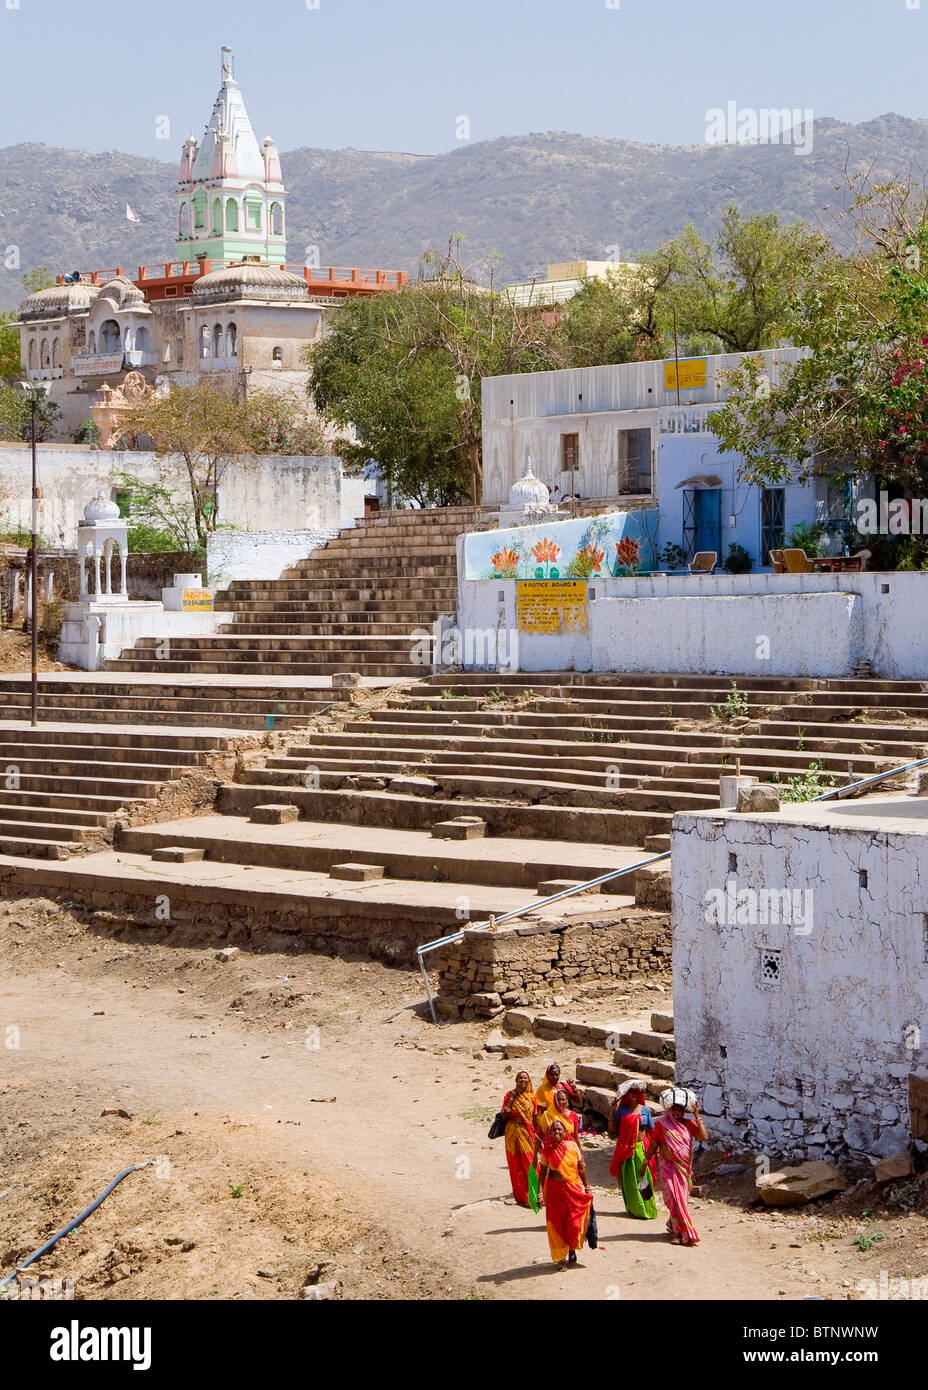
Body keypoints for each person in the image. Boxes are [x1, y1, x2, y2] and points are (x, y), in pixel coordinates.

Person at [641, 1088, 708, 1246]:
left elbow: (703, 1137)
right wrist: (645, 1163)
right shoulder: (662, 1125)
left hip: (683, 1169)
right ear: (669, 1109)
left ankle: (676, 1225)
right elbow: (654, 1144)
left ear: (684, 1112)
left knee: (681, 1200)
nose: (677, 1113)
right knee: (673, 1198)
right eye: (674, 1109)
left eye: (680, 1110)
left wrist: (697, 1116)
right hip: (668, 1168)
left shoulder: (688, 1124)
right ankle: (678, 1233)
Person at [537, 1118, 593, 1266]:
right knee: (556, 1224)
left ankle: (571, 1249)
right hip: (554, 1191)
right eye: (554, 1129)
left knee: (573, 1223)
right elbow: (542, 1173)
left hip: (572, 1188)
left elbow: (581, 1168)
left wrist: (587, 1186)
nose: (557, 1132)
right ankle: (560, 1257)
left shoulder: (573, 1147)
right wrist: (540, 1193)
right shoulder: (547, 1149)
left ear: (564, 1131)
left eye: (559, 1129)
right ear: (550, 1132)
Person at [608, 1080, 657, 1220]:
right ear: (627, 1095)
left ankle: (648, 1209)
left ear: (640, 1094)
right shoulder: (621, 1111)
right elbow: (612, 1131)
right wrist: (611, 1112)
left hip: (641, 1148)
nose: (634, 1095)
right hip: (626, 1150)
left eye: (636, 1092)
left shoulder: (645, 1111)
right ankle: (635, 1209)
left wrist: (656, 1151)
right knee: (630, 1181)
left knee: (645, 1178)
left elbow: (652, 1131)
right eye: (631, 1093)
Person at [500, 1071, 538, 1207]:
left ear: (529, 1080)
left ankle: (536, 1196)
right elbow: (504, 1115)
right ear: (516, 1080)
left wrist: (538, 1134)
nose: (523, 1080)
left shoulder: (532, 1097)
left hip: (527, 1132)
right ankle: (524, 1197)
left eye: (525, 1078)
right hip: (513, 1133)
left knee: (530, 1163)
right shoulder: (509, 1095)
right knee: (516, 1164)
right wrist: (510, 1100)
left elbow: (535, 1118)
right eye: (520, 1078)